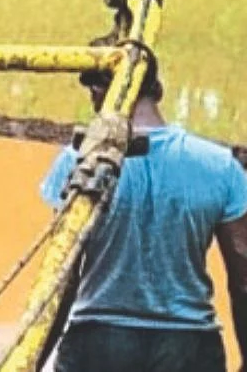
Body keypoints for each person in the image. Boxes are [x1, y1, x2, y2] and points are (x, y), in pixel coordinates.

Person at [37, 43, 247, 372]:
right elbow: (243, 277)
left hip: (97, 345)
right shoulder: (220, 166)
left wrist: (33, 361)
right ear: (158, 90)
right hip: (189, 349)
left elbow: (60, 280)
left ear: (97, 92)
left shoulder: (78, 165)